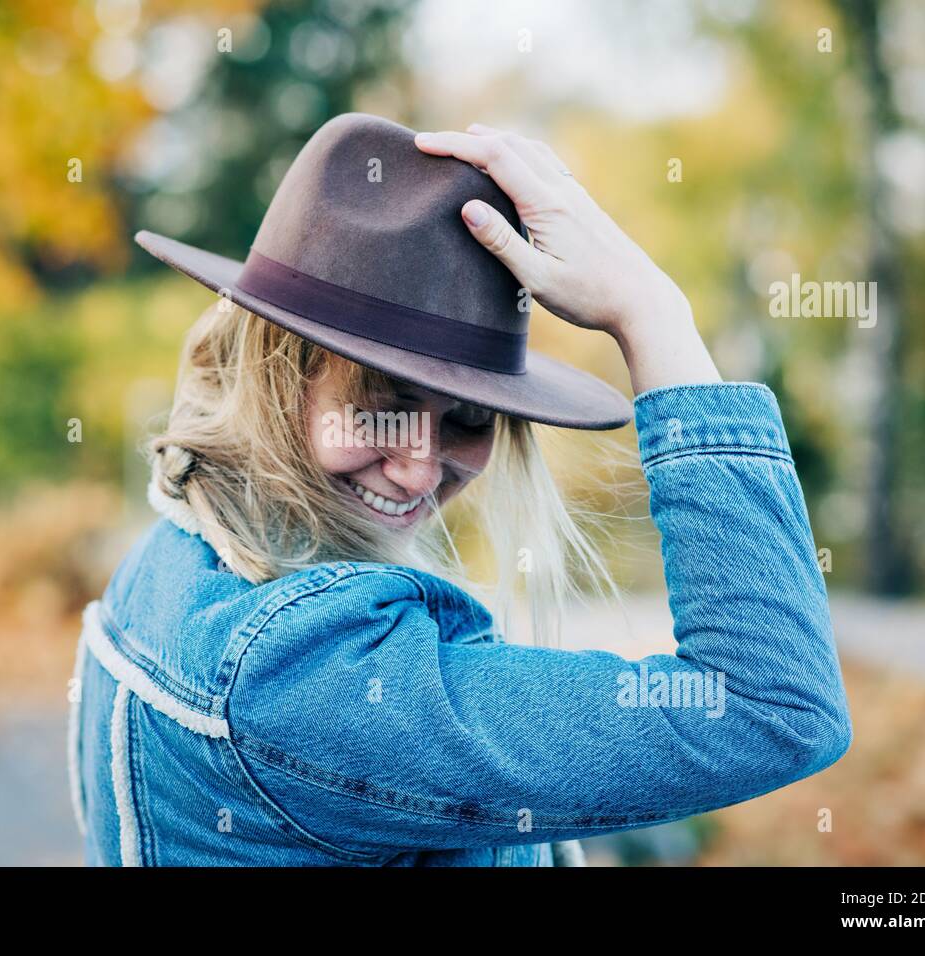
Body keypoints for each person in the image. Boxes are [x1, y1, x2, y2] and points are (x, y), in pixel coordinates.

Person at [67, 113, 852, 866]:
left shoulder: (177, 555)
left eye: (472, 419)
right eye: (379, 409)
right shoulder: (317, 679)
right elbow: (772, 707)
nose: (418, 467)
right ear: (273, 379)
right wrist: (653, 314)